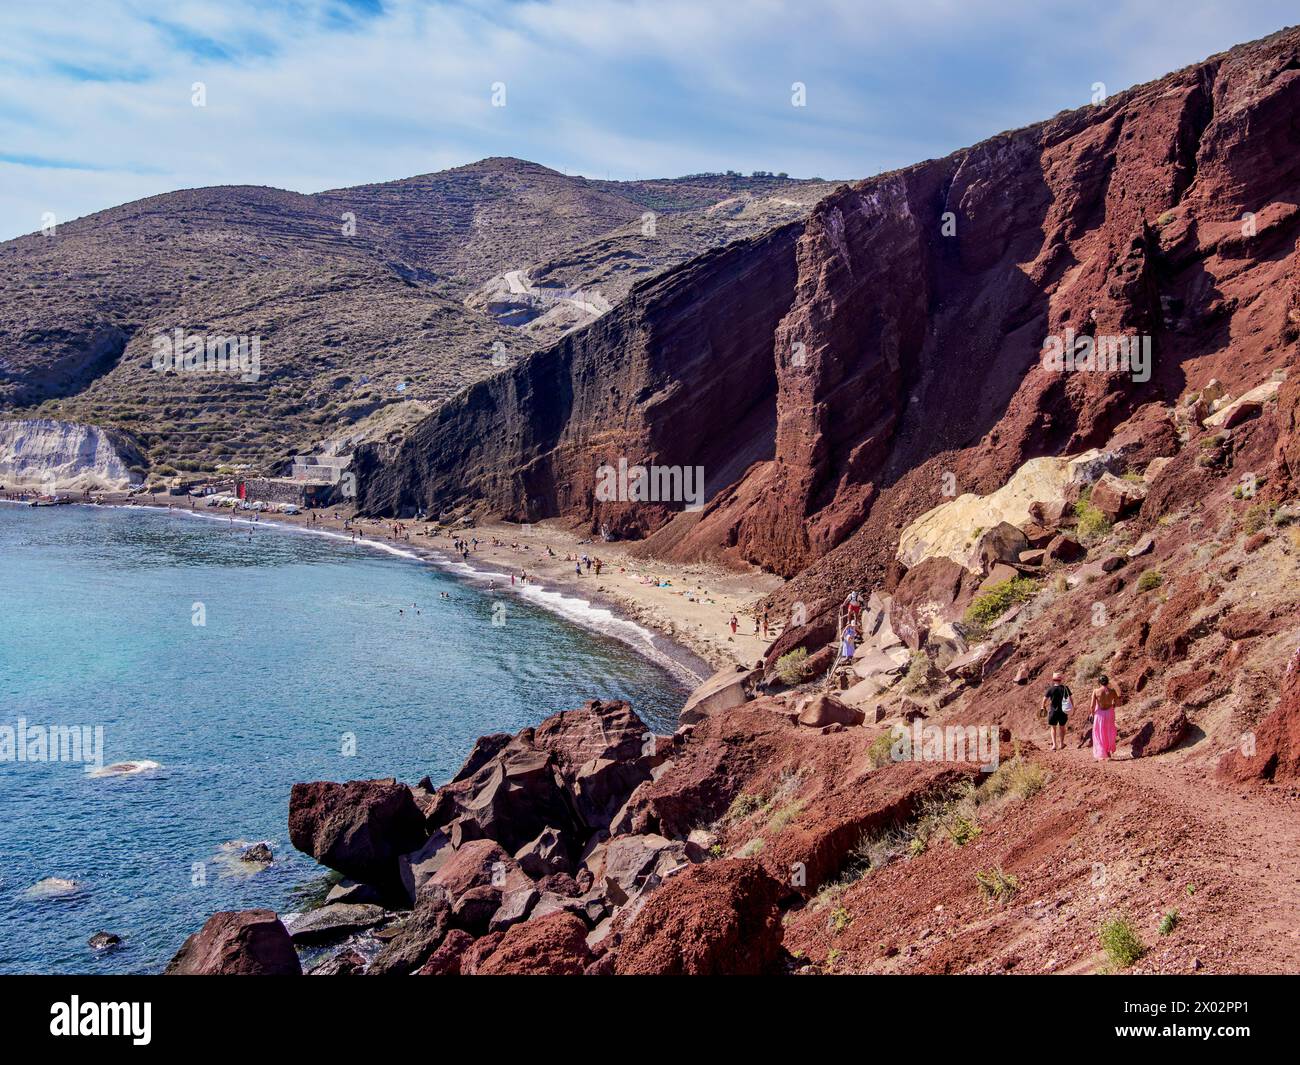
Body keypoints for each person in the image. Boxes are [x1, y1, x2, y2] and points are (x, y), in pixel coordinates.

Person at [1090, 675, 1120, 761]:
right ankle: (1108, 752)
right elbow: (1118, 703)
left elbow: (1092, 706)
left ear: (1099, 682)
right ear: (1108, 682)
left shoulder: (1096, 691)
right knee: (1109, 732)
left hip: (1100, 714)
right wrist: (1113, 703)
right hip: (1110, 713)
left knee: (1099, 733)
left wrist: (1092, 714)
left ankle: (1101, 753)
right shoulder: (1112, 691)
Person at [1042, 671, 1072, 751]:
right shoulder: (1065, 688)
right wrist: (1073, 707)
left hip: (1053, 711)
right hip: (1063, 711)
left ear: (1053, 680)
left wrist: (1043, 707)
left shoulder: (1050, 689)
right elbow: (1070, 699)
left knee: (1053, 728)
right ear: (1061, 680)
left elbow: (1044, 700)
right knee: (1062, 727)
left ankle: (1054, 745)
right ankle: (1062, 744)